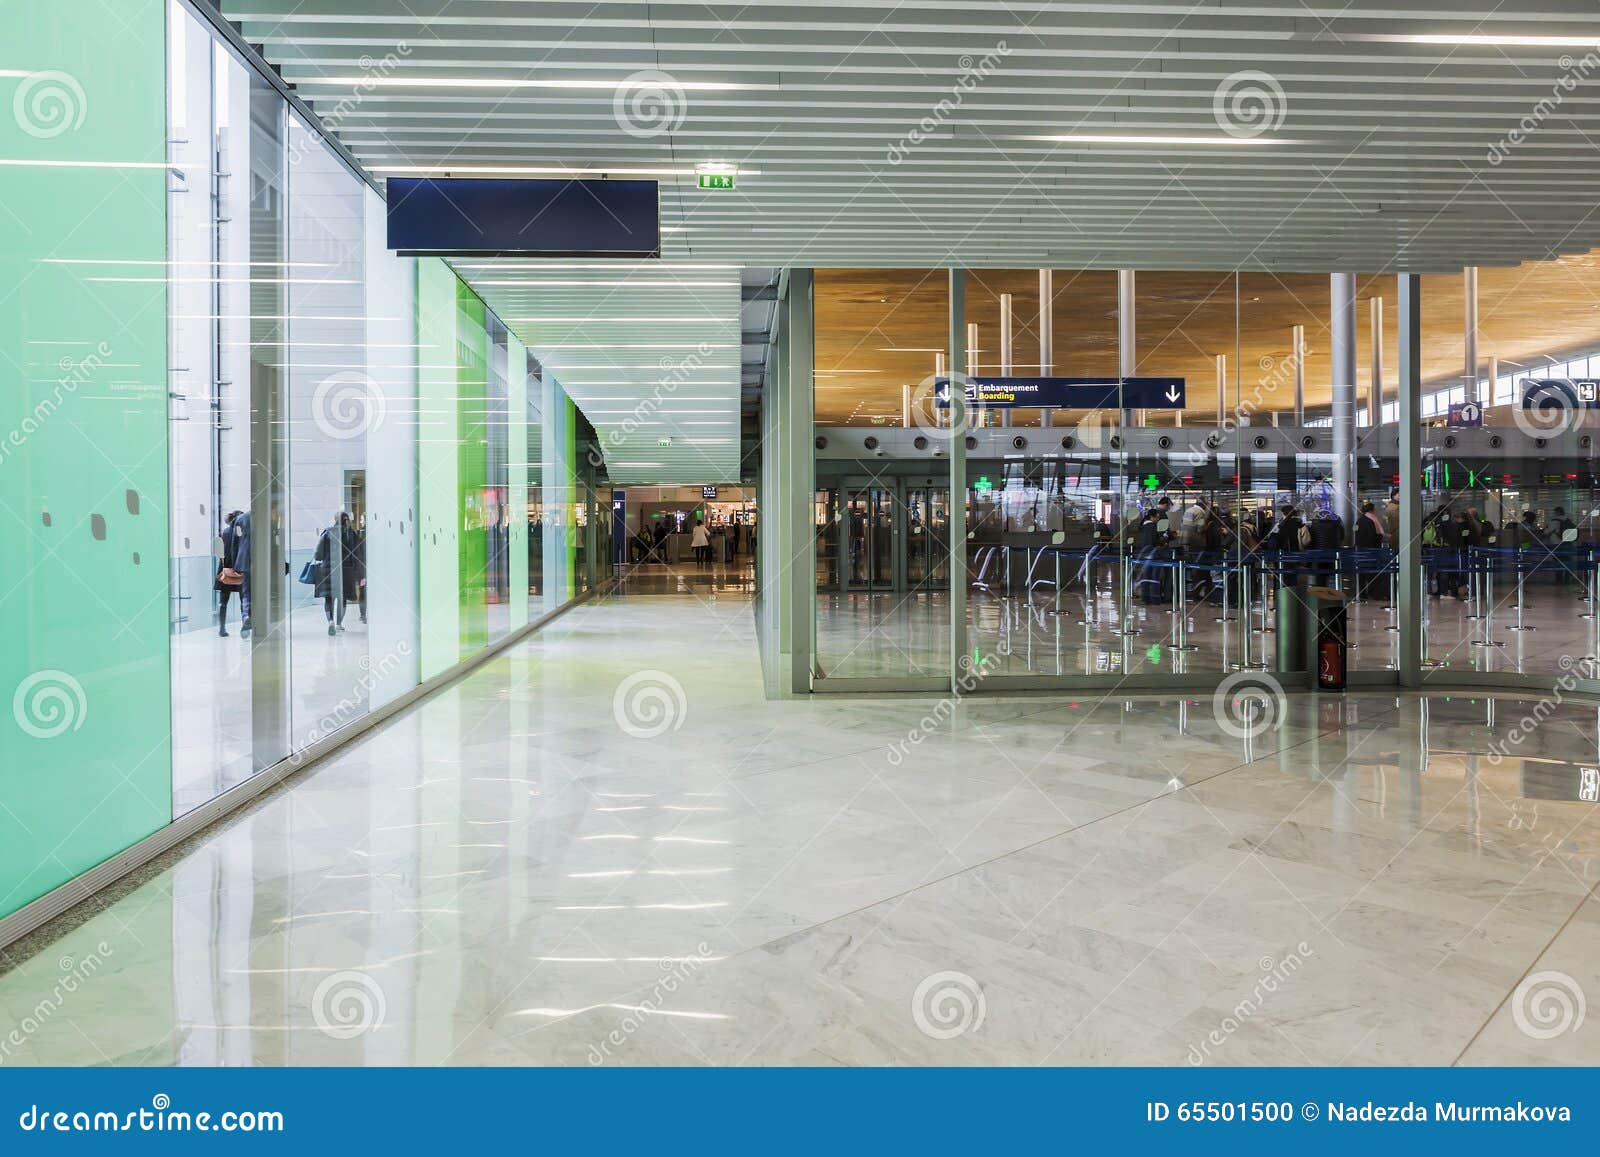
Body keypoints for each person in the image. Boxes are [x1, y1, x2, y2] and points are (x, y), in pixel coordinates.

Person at [314, 512, 363, 635]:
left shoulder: (327, 532)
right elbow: (358, 555)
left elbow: (318, 554)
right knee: (342, 598)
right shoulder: (351, 534)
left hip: (328, 570)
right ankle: (339, 624)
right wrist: (359, 573)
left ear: (335, 519)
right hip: (346, 571)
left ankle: (330, 621)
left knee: (328, 598)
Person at [215, 509, 251, 637]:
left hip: (225, 571)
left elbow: (219, 552)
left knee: (223, 602)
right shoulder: (241, 533)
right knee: (244, 599)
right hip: (238, 569)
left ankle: (222, 629)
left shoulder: (223, 533)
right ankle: (244, 627)